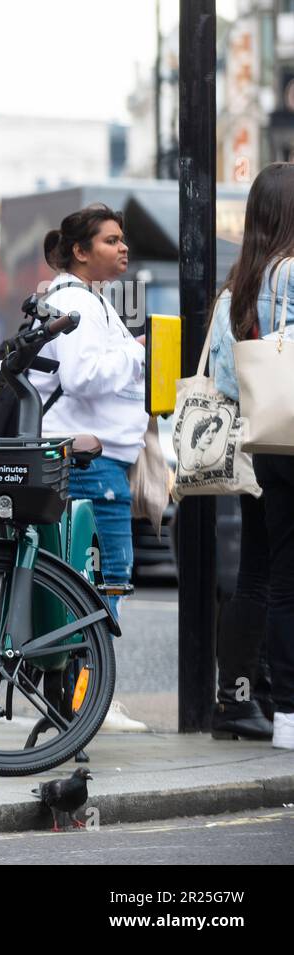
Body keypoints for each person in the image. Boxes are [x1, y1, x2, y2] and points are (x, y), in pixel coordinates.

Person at [31, 203, 150, 733]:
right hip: (88, 467)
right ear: (81, 252)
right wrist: (139, 353)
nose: (122, 248)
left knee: (84, 583)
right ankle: (85, 701)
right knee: (105, 584)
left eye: (122, 240)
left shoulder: (84, 300)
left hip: (92, 463)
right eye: (110, 240)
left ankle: (76, 699)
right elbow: (81, 377)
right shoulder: (77, 301)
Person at [207, 161, 294, 748]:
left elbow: (223, 377)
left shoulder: (239, 282)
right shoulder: (293, 273)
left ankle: (275, 709)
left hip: (267, 442)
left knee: (273, 577)